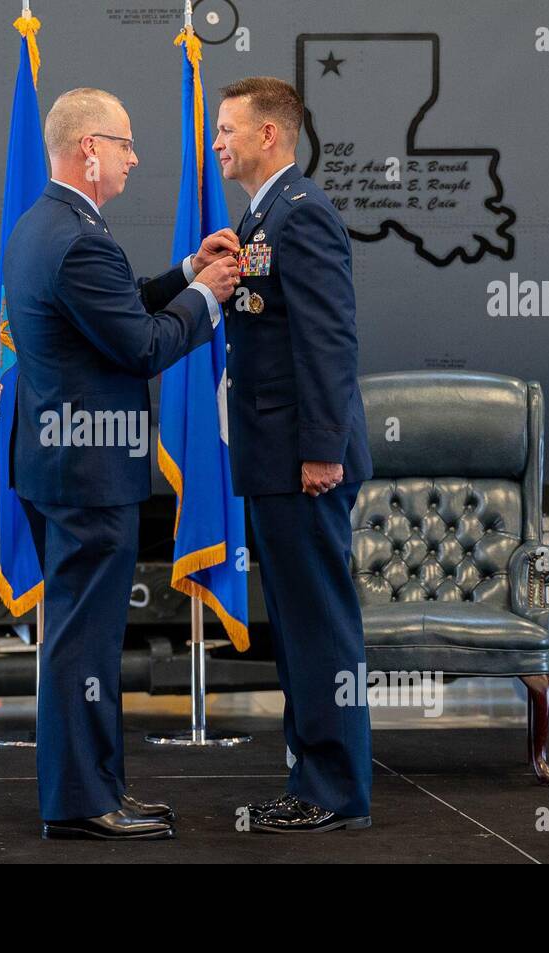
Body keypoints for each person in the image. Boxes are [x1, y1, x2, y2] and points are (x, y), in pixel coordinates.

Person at [4, 88, 240, 840]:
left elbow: (119, 308)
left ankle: (97, 787)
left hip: (60, 462)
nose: (137, 158)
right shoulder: (81, 238)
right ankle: (81, 803)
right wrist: (206, 298)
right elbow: (140, 345)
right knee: (84, 642)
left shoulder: (44, 225)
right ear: (89, 150)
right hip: (87, 470)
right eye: (127, 143)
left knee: (85, 638)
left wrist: (182, 273)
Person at [213, 77, 375, 833]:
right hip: (273, 458)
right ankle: (309, 777)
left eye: (227, 130)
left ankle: (334, 793)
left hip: (301, 463)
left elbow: (328, 341)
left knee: (320, 628)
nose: (218, 142)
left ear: (270, 135)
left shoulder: (301, 216)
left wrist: (321, 453)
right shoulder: (262, 216)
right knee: (298, 627)